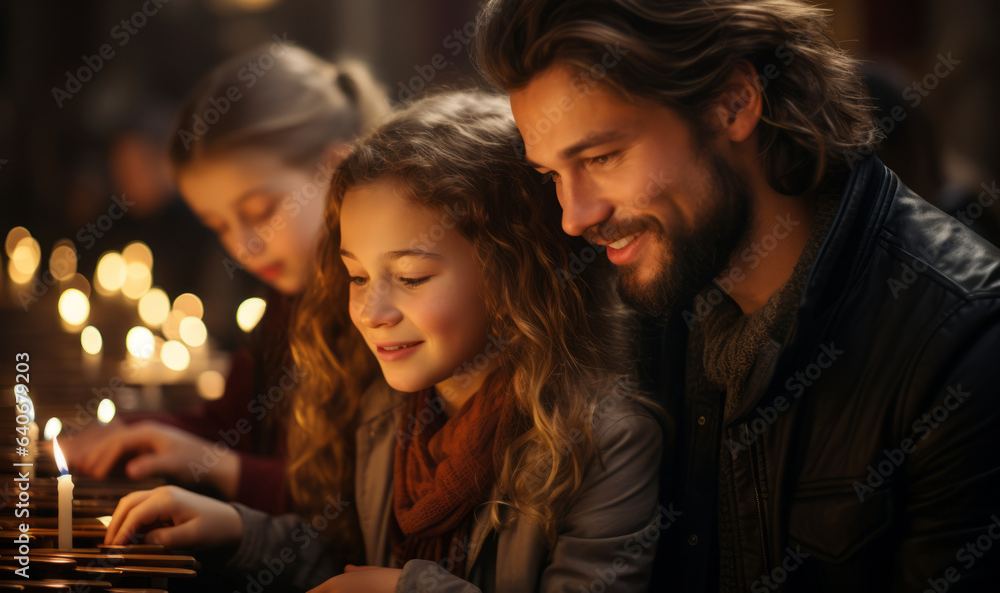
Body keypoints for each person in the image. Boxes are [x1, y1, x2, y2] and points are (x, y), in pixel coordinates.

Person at [472, 0, 1000, 590]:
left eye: (601, 157)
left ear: (734, 101)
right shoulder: (639, 305)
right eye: (552, 174)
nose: (575, 216)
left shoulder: (964, 343)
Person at [103, 91, 663, 592]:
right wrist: (238, 530)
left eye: (412, 278)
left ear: (512, 274)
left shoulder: (605, 445)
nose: (371, 313)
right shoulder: (388, 411)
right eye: (357, 276)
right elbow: (350, 565)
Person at [66, 43, 390, 514]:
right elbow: (232, 422)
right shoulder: (287, 299)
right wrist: (135, 431)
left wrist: (218, 467)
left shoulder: (381, 310)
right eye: (218, 226)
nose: (243, 247)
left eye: (260, 212)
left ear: (334, 170)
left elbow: (351, 510)